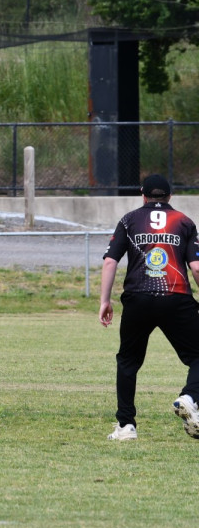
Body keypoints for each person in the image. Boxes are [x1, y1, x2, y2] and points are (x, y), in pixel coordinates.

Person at [99, 174, 199, 441]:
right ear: (170, 196)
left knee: (128, 361)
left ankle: (126, 426)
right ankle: (190, 397)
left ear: (143, 195)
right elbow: (197, 267)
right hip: (176, 298)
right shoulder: (185, 222)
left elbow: (110, 262)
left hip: (137, 298)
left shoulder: (129, 220)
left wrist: (104, 301)